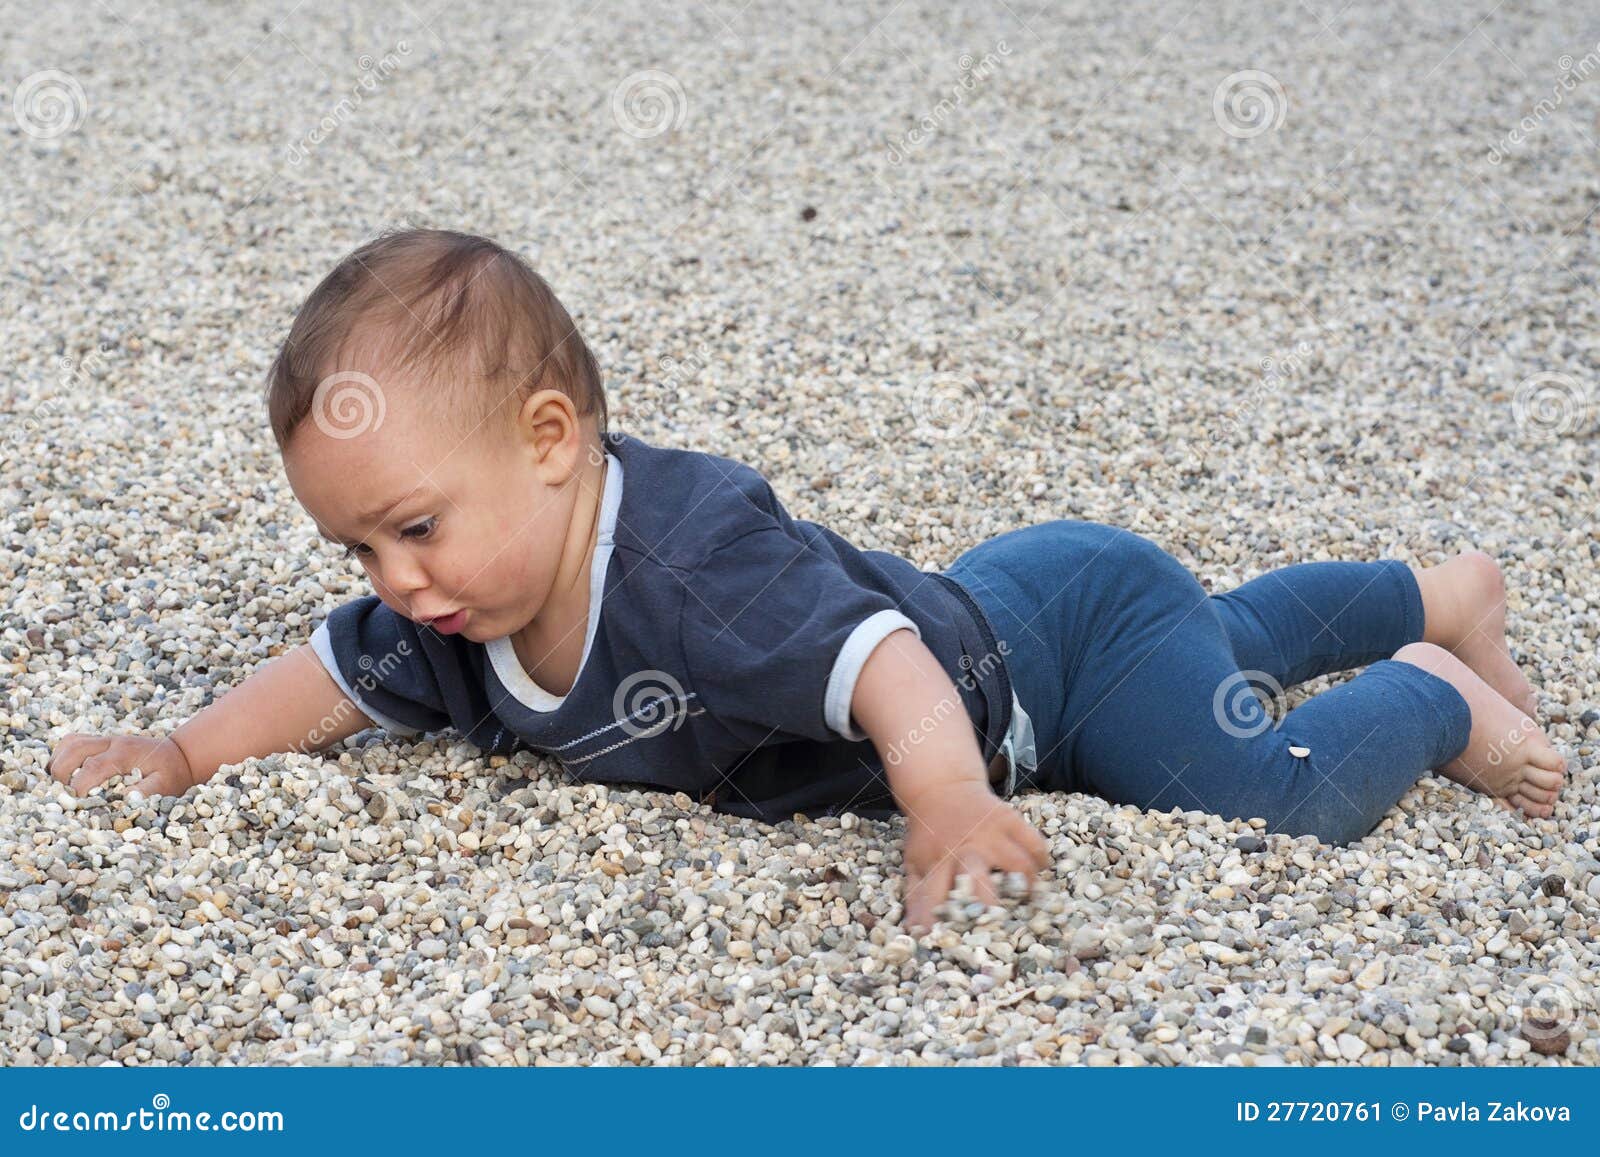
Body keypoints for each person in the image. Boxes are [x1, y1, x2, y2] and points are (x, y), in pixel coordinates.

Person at [47, 228, 1567, 934]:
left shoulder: (691, 566)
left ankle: (1426, 686)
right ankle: (1436, 586)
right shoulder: (465, 604)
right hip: (1032, 604)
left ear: (554, 440)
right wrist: (180, 749)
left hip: (1039, 660)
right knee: (1213, 633)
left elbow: (887, 669)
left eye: (416, 529)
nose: (398, 580)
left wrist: (952, 800)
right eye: (360, 548)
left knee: (1244, 777)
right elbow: (328, 674)